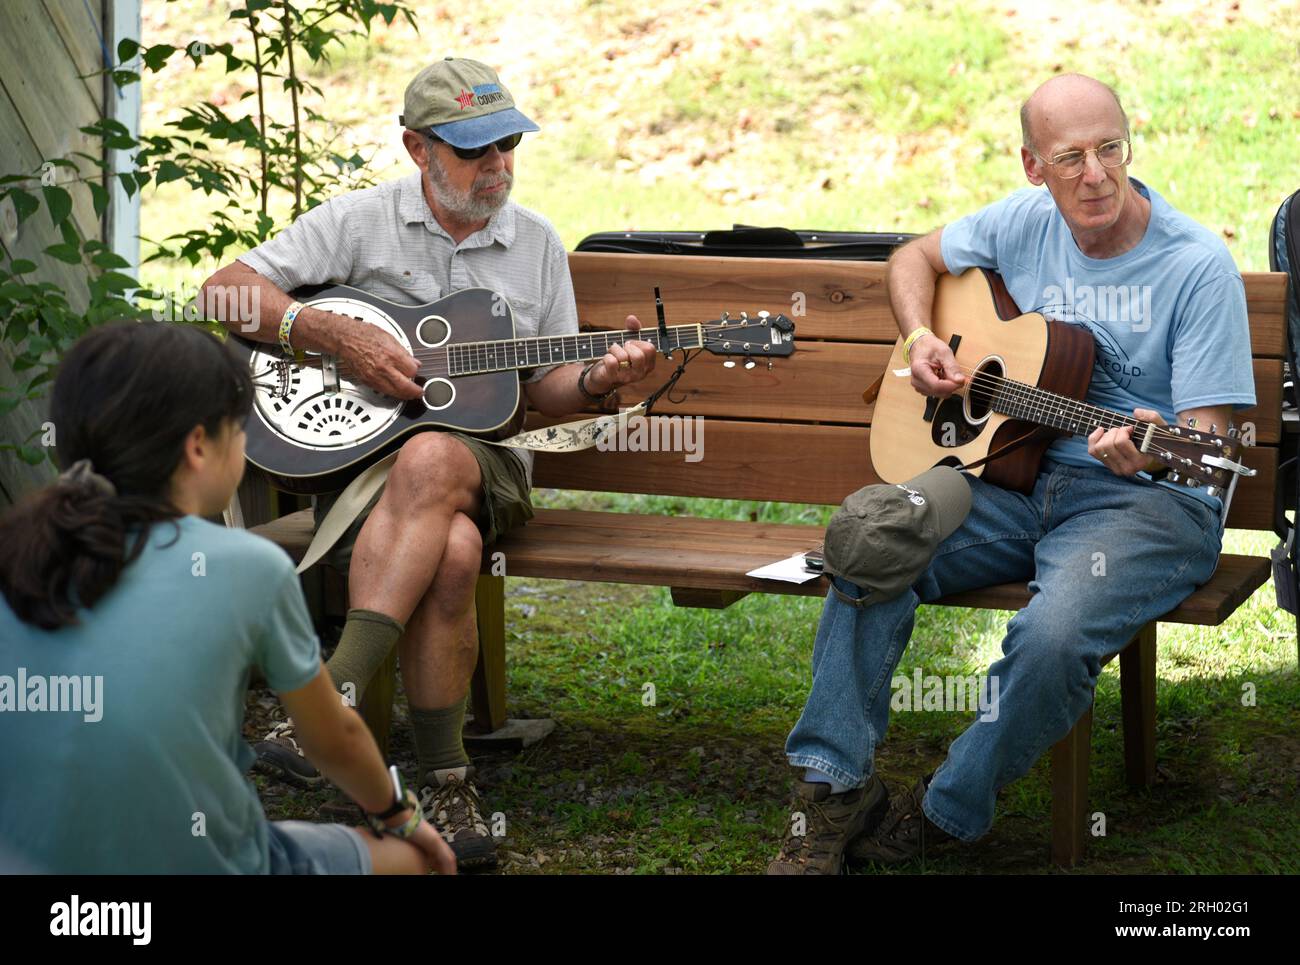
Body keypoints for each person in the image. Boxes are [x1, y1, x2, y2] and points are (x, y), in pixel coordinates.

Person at [767, 73, 1256, 874]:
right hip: (1008, 474)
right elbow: (914, 256)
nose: (1095, 175)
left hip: (1145, 501)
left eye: (1110, 150)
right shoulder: (1021, 223)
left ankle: (944, 811)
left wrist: (1150, 448)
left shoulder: (1195, 265)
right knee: (870, 540)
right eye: (1070, 158)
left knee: (1054, 636)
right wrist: (921, 334)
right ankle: (832, 789)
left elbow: (1209, 441)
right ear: (1034, 167)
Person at [199, 57, 657, 869]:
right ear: (417, 149)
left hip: (492, 463)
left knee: (441, 451)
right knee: (452, 551)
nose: (499, 166)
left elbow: (545, 391)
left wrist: (596, 379)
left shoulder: (536, 243)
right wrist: (335, 334)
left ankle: (322, 700)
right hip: (367, 464)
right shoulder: (358, 221)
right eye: (475, 150)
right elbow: (223, 295)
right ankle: (445, 780)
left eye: (508, 145)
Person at [0, 322, 455, 875]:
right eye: (238, 430)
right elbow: (332, 738)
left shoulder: (17, 551)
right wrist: (401, 817)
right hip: (209, 863)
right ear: (198, 446)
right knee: (414, 863)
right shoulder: (248, 568)